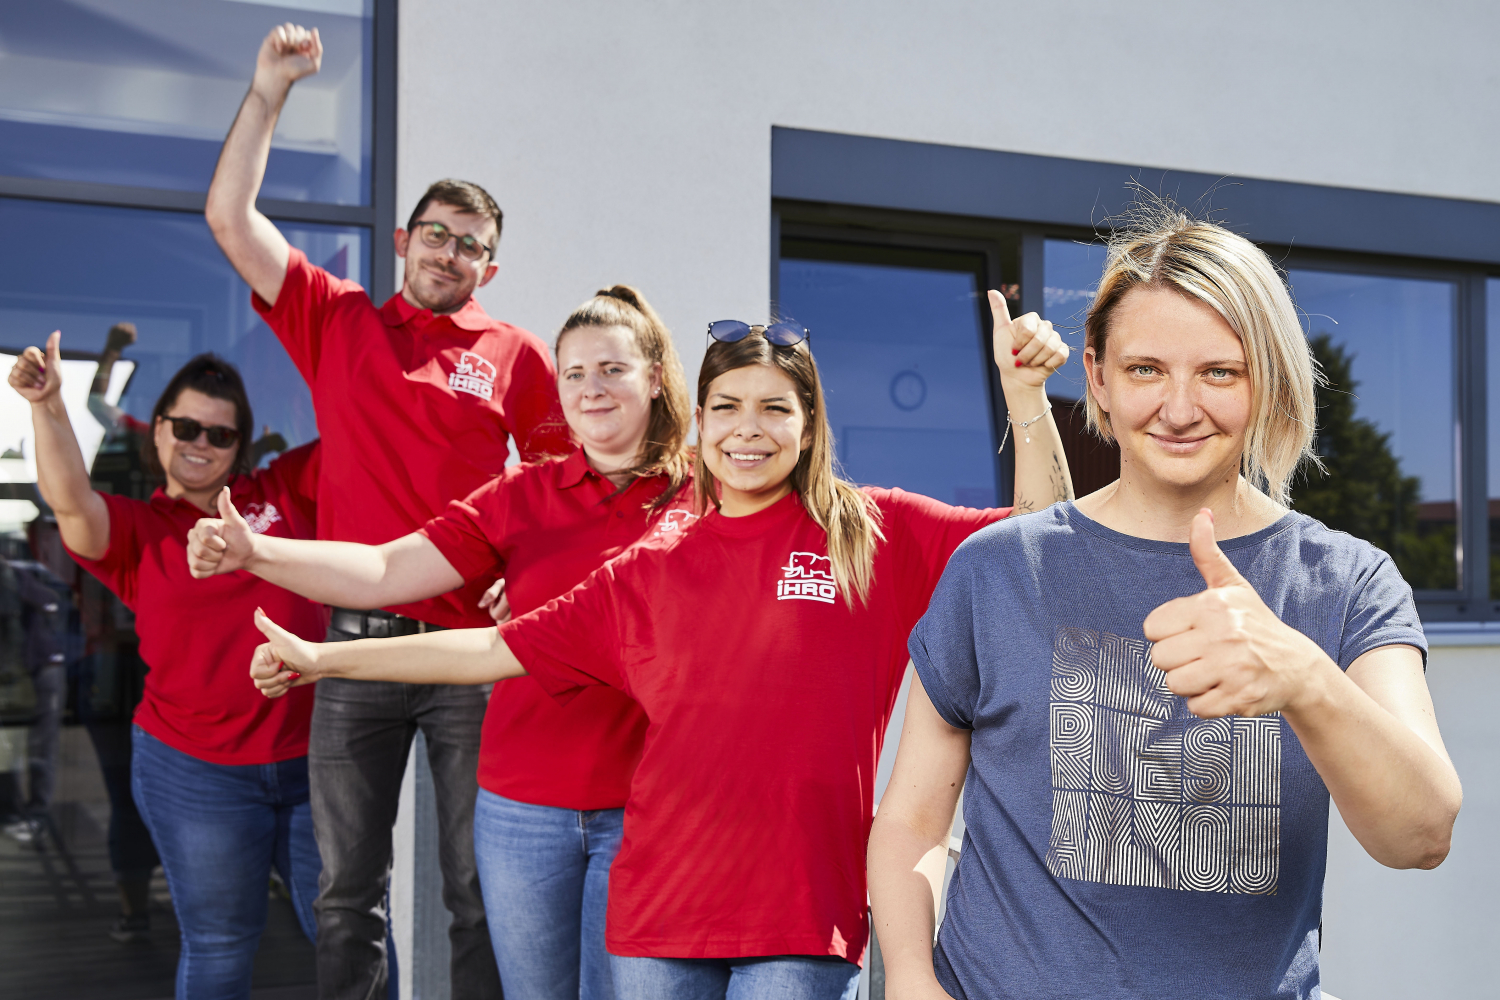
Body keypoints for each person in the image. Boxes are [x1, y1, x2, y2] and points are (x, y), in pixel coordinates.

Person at [244, 293, 1073, 1000]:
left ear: (810, 423)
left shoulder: (868, 531)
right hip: (657, 914)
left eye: (775, 408)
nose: (749, 431)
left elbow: (1040, 546)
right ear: (701, 421)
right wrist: (325, 661)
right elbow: (490, 651)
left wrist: (1027, 400)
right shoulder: (653, 563)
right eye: (729, 408)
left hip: (802, 911)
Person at [866, 207, 1464, 999]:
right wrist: (910, 980)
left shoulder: (1345, 581)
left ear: (1270, 382)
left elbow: (1421, 835)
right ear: (1099, 378)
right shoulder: (998, 568)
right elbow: (910, 821)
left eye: (1219, 372)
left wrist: (1302, 677)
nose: (1179, 409)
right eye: (1146, 369)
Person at [190, 285, 691, 1000]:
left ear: (655, 378)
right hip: (526, 811)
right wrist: (257, 551)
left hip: (652, 805)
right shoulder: (521, 495)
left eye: (612, 369)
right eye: (573, 374)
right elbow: (387, 567)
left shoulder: (704, 494)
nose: (591, 389)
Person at [206, 23, 570, 999]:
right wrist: (269, 94)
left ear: (490, 268)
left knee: (475, 889)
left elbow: (559, 492)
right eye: (439, 235)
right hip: (355, 655)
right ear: (405, 240)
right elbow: (233, 220)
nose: (452, 254)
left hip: (467, 666)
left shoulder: (515, 356)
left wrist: (522, 587)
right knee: (346, 895)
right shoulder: (341, 320)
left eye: (474, 247)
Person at [8, 337, 325, 1000]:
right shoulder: (138, 530)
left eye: (219, 432)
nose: (200, 443)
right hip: (195, 771)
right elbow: (70, 501)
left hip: (314, 763)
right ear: (158, 432)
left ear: (239, 446)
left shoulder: (283, 491)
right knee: (220, 945)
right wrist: (48, 405)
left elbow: (369, 434)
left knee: (348, 934)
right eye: (186, 427)